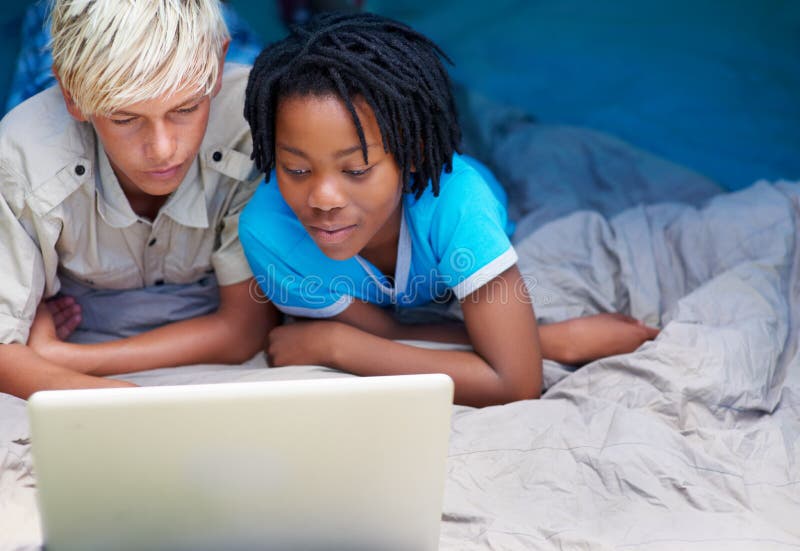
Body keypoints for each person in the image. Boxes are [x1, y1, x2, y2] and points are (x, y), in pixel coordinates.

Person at [239, 12, 658, 407]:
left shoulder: (460, 203)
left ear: (414, 154)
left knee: (485, 131)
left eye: (357, 169)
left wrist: (338, 347)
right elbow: (394, 333)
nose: (323, 199)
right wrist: (534, 342)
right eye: (296, 168)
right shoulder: (269, 231)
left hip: (468, 177)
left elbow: (516, 382)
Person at [0, 0, 278, 400]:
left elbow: (245, 330)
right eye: (125, 119)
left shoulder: (251, 123)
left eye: (186, 109)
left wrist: (58, 356)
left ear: (218, 66)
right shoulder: (23, 156)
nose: (162, 149)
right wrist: (122, 404)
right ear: (71, 93)